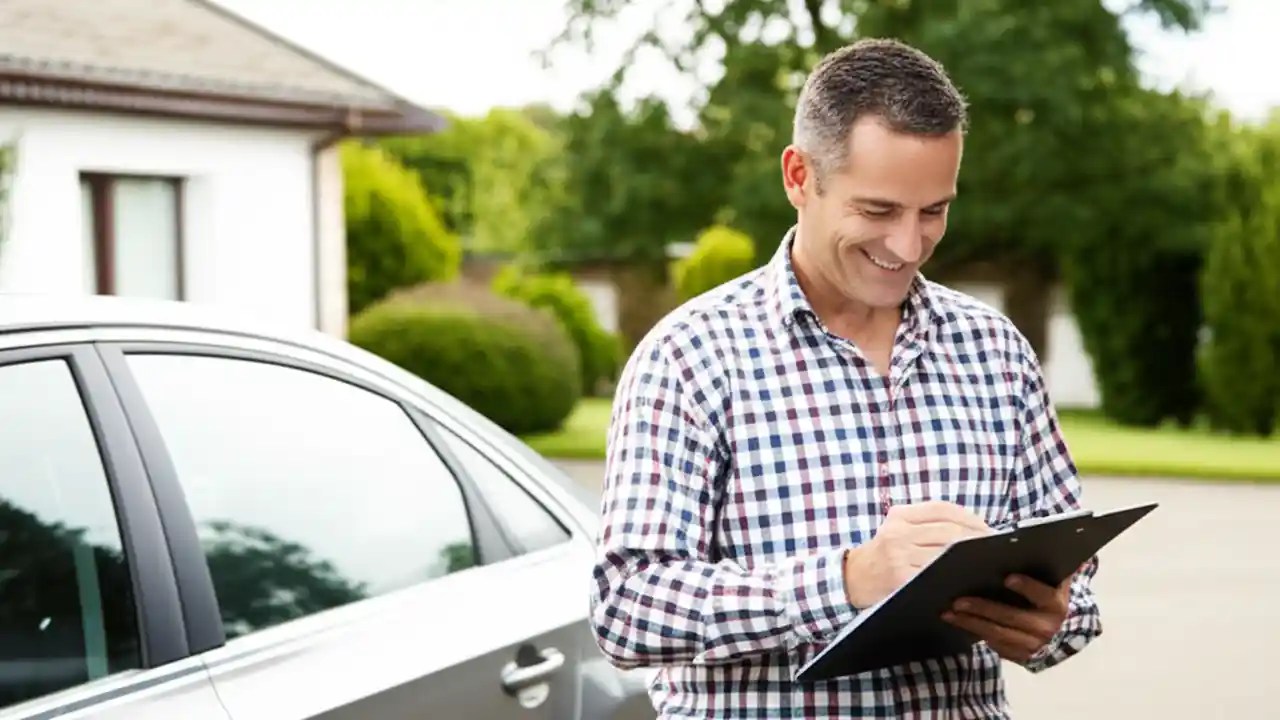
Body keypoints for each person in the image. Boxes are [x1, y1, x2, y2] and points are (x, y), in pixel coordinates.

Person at [589, 37, 1102, 718]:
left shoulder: (995, 352)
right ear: (800, 177)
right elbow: (628, 611)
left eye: (935, 211)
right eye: (879, 211)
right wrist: (849, 580)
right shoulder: (691, 357)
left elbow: (1077, 586)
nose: (908, 245)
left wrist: (1053, 624)